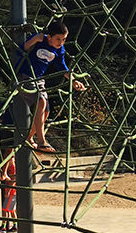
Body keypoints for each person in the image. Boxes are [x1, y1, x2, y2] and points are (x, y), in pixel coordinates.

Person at [14, 19, 86, 153]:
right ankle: (42, 141)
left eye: (64, 39)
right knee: (40, 102)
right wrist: (34, 39)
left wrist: (74, 80)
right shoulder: (40, 40)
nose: (61, 42)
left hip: (39, 80)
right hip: (25, 76)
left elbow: (62, 67)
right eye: (58, 39)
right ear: (49, 36)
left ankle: (29, 138)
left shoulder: (60, 49)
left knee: (46, 111)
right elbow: (20, 50)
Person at [0, 153, 17, 232]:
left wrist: (8, 190)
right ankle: (14, 226)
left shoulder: (13, 166)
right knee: (11, 209)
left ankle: (5, 227)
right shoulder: (12, 164)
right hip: (12, 191)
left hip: (11, 191)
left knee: (5, 209)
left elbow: (13, 180)